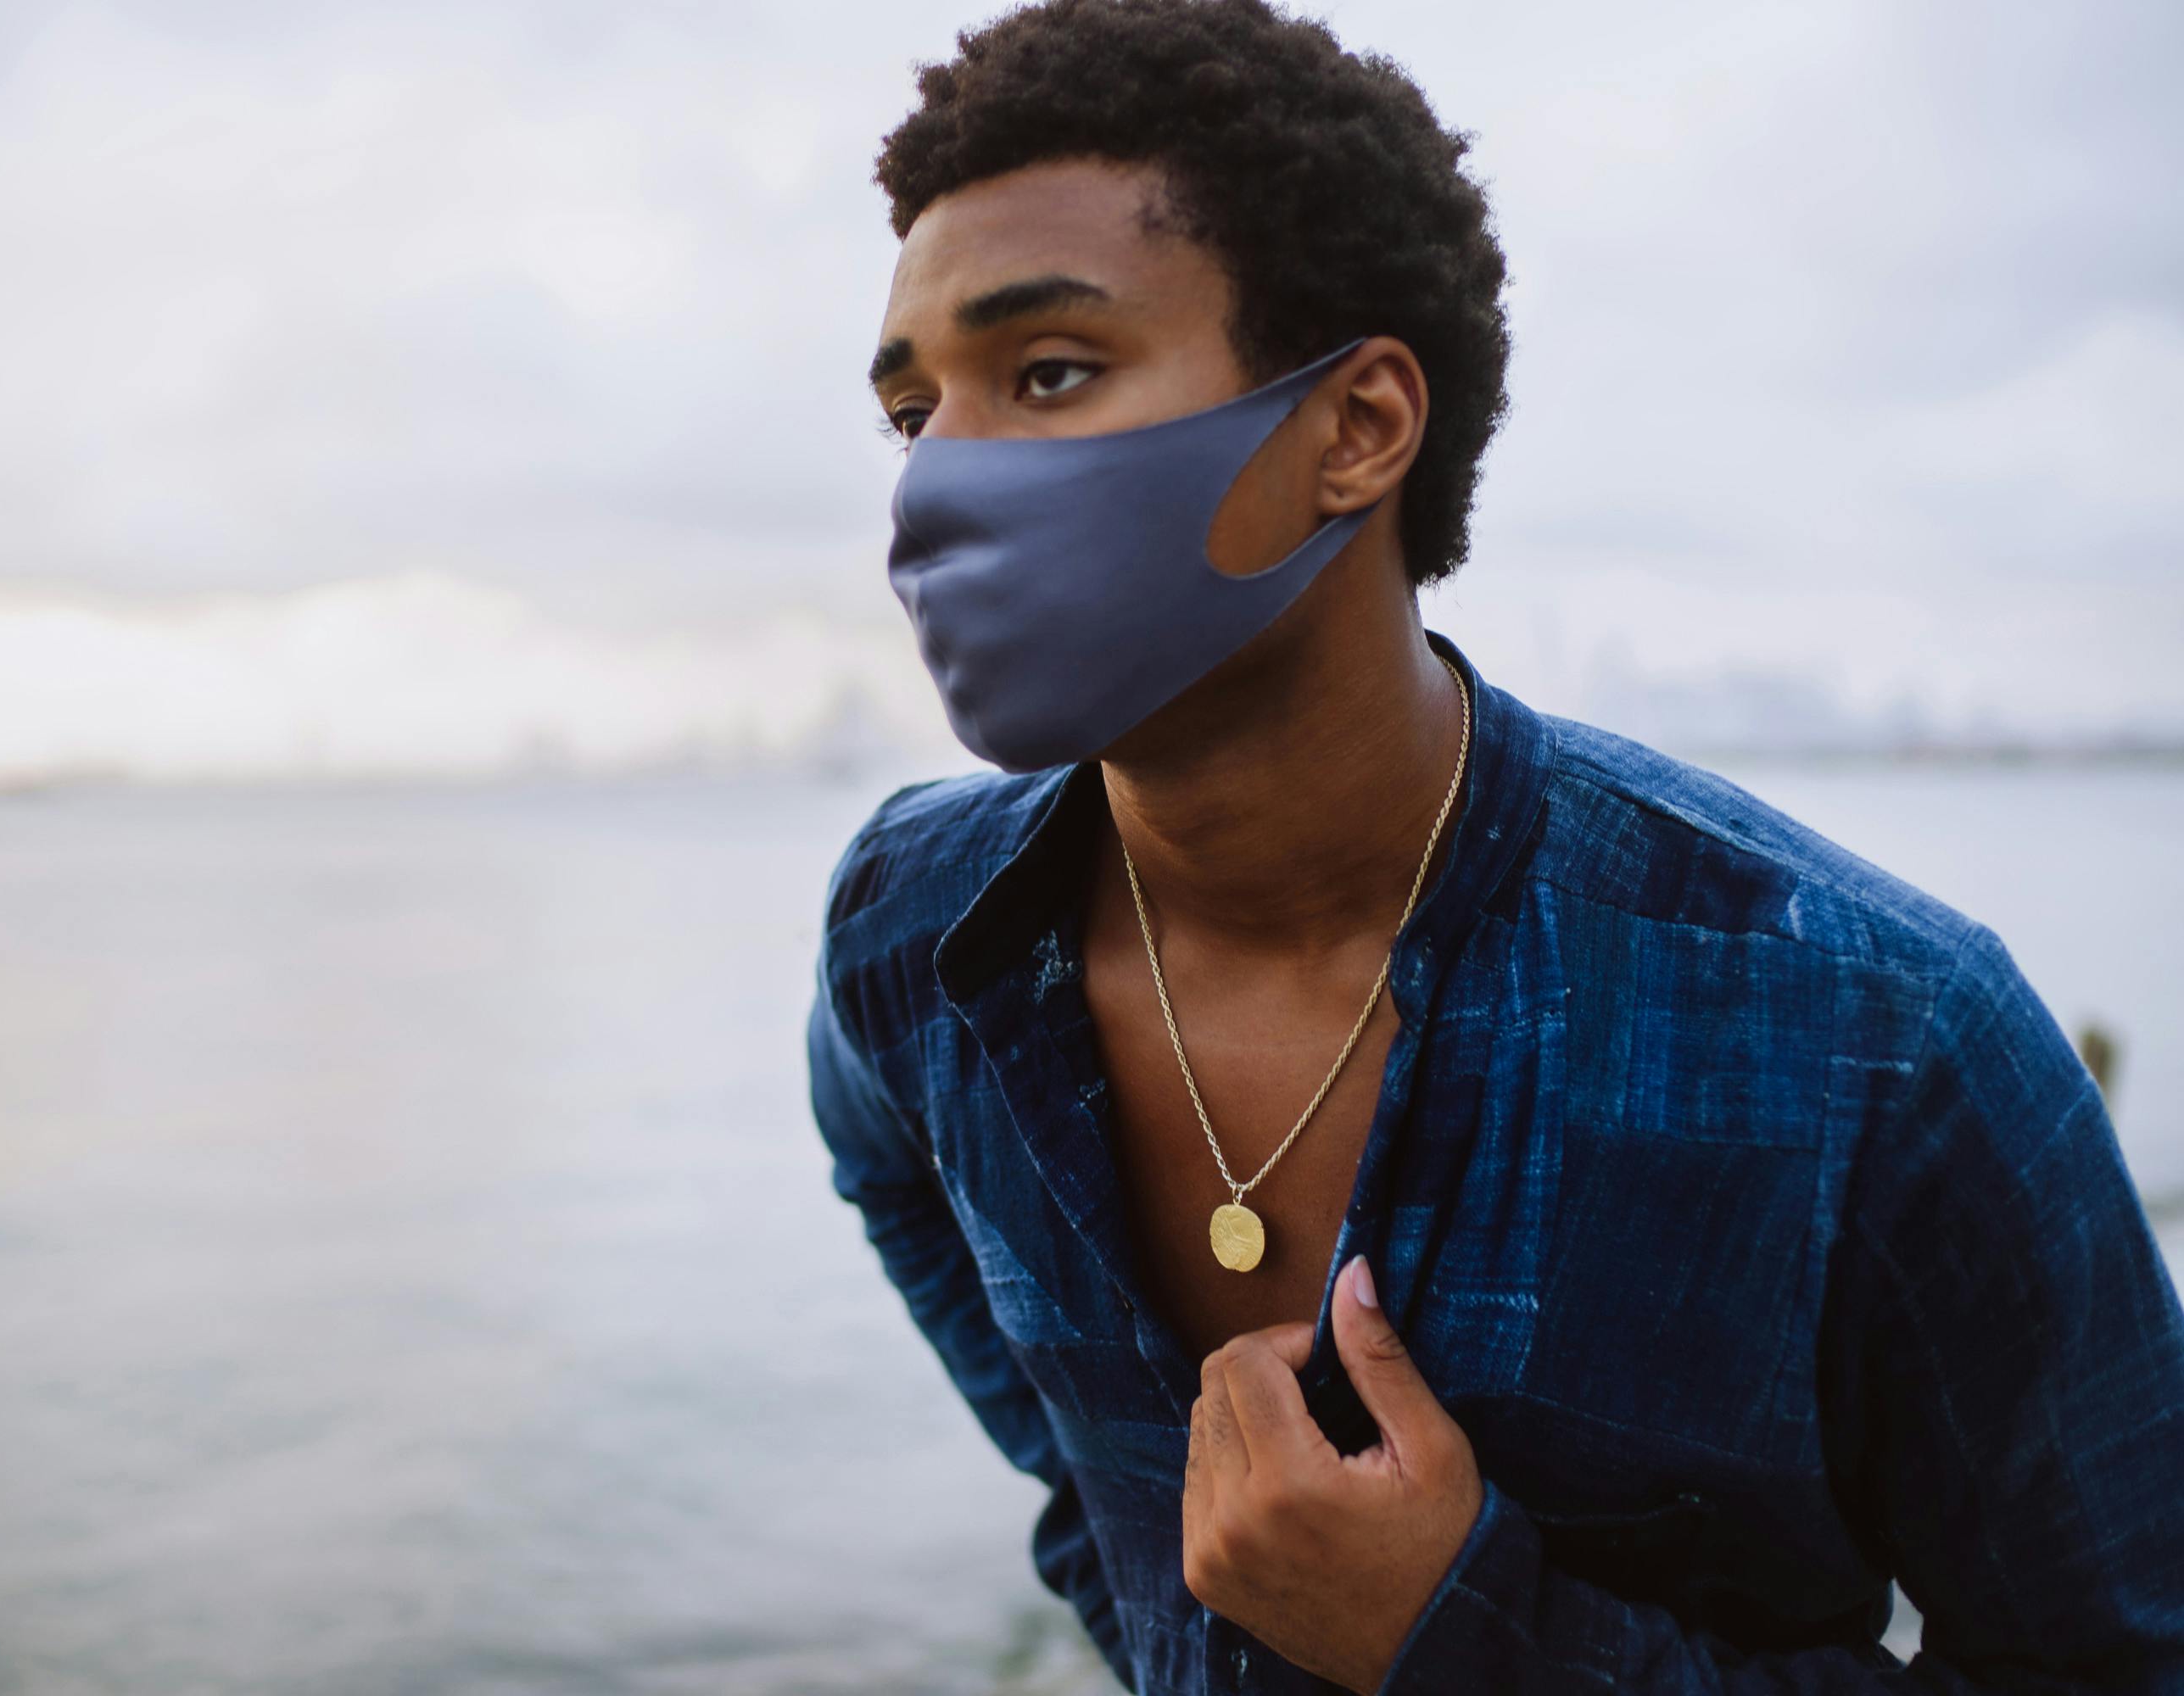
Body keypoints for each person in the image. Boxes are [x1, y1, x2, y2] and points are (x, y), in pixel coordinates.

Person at [803, 1, 2184, 1692]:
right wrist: (1133, 1556)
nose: (936, 479)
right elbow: (902, 1191)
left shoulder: (1880, 1038)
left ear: (1359, 429)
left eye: (1050, 373)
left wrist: (1470, 1639)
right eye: (909, 408)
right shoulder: (911, 932)